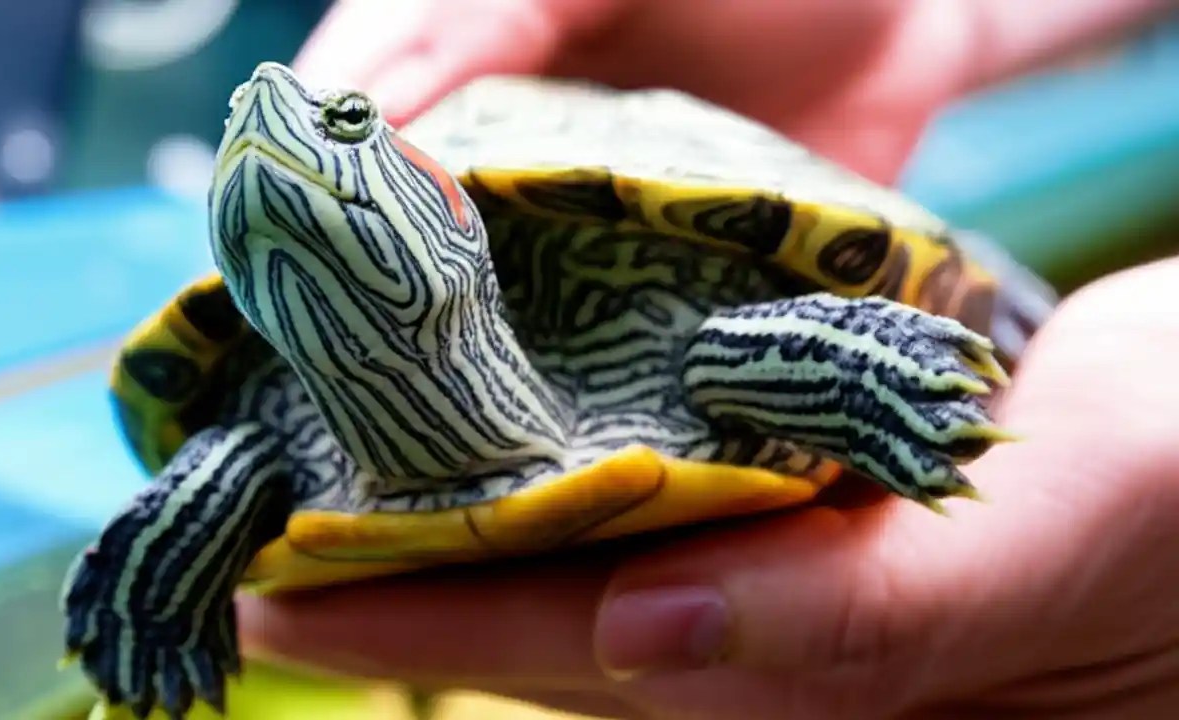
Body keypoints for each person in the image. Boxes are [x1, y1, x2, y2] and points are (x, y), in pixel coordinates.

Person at [238, 2, 1179, 718]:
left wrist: (932, 24)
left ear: (448, 218)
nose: (263, 115)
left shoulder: (688, 349)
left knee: (730, 352)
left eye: (348, 125)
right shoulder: (280, 447)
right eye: (242, 127)